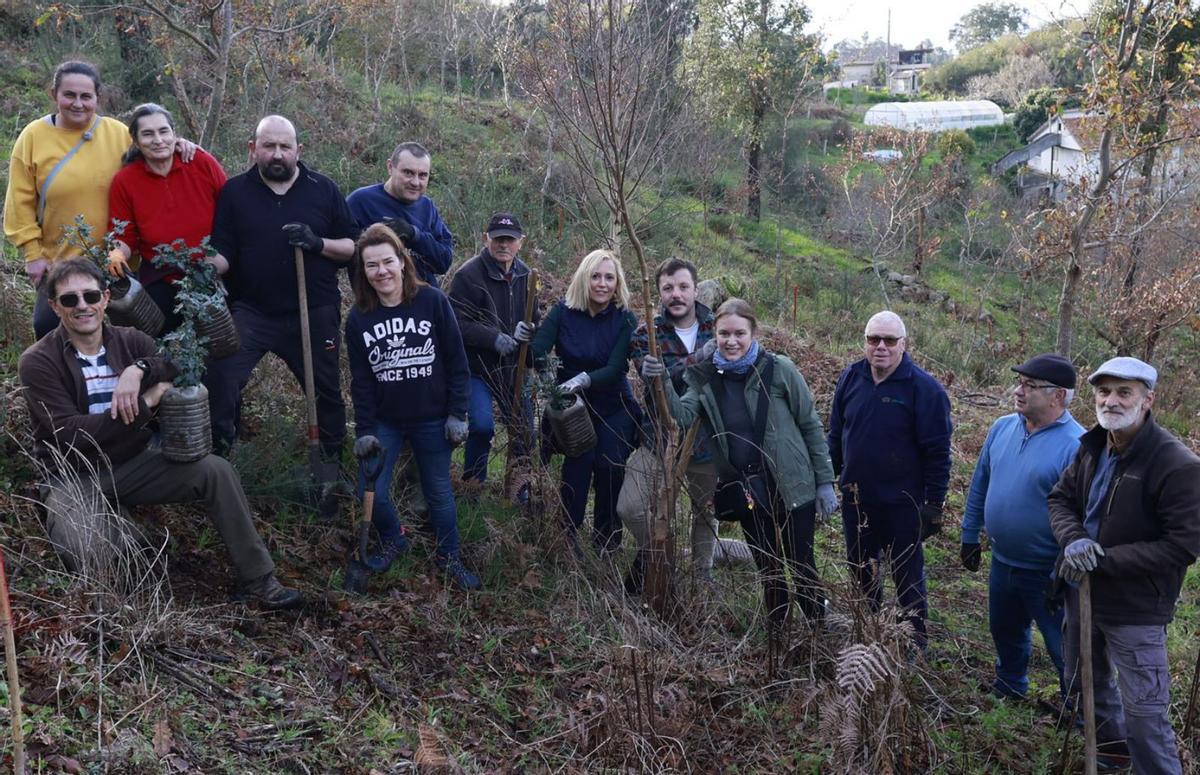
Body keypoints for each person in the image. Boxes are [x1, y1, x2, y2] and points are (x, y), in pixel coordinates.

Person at [17, 258, 301, 609]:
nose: (83, 306)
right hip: (74, 476)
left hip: (133, 463)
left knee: (215, 471)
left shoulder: (130, 340)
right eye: (70, 299)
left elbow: (176, 359)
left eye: (90, 295)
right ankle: (133, 552)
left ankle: (259, 580)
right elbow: (71, 434)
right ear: (55, 307)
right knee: (93, 556)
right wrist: (147, 401)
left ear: (105, 298)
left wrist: (139, 369)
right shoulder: (38, 361)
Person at [646, 298, 837, 627]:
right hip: (748, 491)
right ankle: (777, 640)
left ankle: (818, 634)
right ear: (714, 335)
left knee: (802, 566)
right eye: (723, 334)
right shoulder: (704, 377)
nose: (731, 341)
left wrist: (824, 482)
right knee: (769, 570)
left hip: (793, 484)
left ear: (753, 333)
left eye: (739, 333)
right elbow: (680, 415)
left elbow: (810, 425)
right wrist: (660, 380)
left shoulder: (780, 370)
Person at [1049, 357, 1200, 774]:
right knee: (1087, 690)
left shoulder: (1176, 464)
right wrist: (1074, 539)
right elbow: (1060, 500)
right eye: (1103, 391)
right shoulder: (1094, 447)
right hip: (1081, 595)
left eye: (1123, 392)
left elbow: (1183, 546)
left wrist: (1103, 560)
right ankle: (1113, 761)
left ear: (1148, 400)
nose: (1110, 401)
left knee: (1146, 715)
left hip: (1136, 609)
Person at [203, 115, 358, 461]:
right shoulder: (235, 191)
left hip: (313, 310)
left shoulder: (323, 188)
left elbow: (352, 246)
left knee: (325, 391)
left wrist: (317, 243)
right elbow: (224, 250)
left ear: (298, 150)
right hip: (252, 311)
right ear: (253, 148)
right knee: (222, 377)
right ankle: (219, 459)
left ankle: (332, 465)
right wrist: (206, 267)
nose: (277, 154)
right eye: (268, 145)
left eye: (284, 147)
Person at [4, 62, 195, 339]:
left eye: (86, 96)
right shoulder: (33, 137)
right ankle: (63, 383)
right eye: (69, 95)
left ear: (98, 98)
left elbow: (156, 150)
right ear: (54, 94)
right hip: (60, 262)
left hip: (120, 265)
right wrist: (32, 255)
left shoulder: (118, 134)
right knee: (49, 331)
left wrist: (181, 145)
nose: (78, 103)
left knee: (128, 339)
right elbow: (18, 202)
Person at [344, 224, 480, 590]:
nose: (381, 271)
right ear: (363, 271)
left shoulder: (432, 301)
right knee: (368, 490)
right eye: (371, 265)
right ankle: (394, 538)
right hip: (386, 421)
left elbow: (456, 361)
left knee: (438, 492)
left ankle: (449, 557)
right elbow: (362, 381)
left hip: (433, 419)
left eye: (387, 261)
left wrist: (458, 414)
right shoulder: (358, 318)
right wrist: (366, 430)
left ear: (402, 262)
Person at [960, 353, 1084, 699]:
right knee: (1004, 629)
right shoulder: (1003, 427)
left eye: (1030, 386)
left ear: (1058, 396)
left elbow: (1082, 516)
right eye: (1020, 382)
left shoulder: (1077, 446)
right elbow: (981, 482)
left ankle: (1078, 709)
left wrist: (1062, 572)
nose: (1019, 391)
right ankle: (1010, 685)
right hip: (1002, 561)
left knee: (1063, 645)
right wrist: (970, 534)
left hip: (1047, 571)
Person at [827, 310, 952, 649]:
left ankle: (913, 643)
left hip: (903, 505)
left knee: (908, 579)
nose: (880, 346)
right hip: (857, 500)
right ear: (865, 341)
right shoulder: (850, 378)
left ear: (903, 344)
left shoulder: (925, 390)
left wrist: (933, 506)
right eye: (873, 339)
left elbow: (938, 453)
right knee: (862, 572)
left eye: (889, 340)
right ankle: (867, 637)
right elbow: (837, 435)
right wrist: (827, 479)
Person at [616, 257, 719, 593]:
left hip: (708, 438)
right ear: (659, 292)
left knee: (705, 513)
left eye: (683, 287)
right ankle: (660, 553)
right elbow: (668, 373)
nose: (676, 294)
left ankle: (701, 575)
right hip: (659, 436)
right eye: (668, 288)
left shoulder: (717, 327)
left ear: (695, 289)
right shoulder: (646, 331)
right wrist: (702, 358)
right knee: (629, 506)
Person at [530, 249, 639, 556]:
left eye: (609, 277)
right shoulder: (564, 312)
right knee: (578, 464)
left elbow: (616, 367)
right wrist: (548, 378)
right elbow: (538, 351)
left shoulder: (625, 318)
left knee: (609, 465)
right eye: (595, 276)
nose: (602, 284)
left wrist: (583, 379)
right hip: (571, 406)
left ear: (617, 283)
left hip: (613, 403)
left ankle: (607, 539)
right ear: (584, 278)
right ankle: (567, 533)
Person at [107, 103, 228, 329]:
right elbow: (123, 235)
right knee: (150, 339)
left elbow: (231, 212)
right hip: (162, 277)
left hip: (212, 273)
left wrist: (220, 259)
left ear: (174, 133)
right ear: (135, 139)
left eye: (164, 131)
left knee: (220, 344)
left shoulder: (201, 163)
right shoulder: (125, 181)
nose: (158, 140)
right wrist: (116, 254)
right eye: (148, 134)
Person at [447, 213, 539, 490]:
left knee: (525, 431)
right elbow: (455, 325)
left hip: (514, 367)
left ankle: (519, 487)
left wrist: (529, 331)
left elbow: (536, 319)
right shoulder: (468, 275)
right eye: (498, 238)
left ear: (520, 243)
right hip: (477, 369)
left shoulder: (527, 275)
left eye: (509, 240)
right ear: (486, 238)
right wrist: (493, 338)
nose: (503, 245)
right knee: (483, 427)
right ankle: (473, 484)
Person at [346, 141, 454, 286]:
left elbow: (444, 262)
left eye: (422, 175)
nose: (415, 182)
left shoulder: (427, 207)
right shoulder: (361, 202)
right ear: (390, 167)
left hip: (425, 299)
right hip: (377, 301)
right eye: (408, 173)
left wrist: (415, 235)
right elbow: (342, 254)